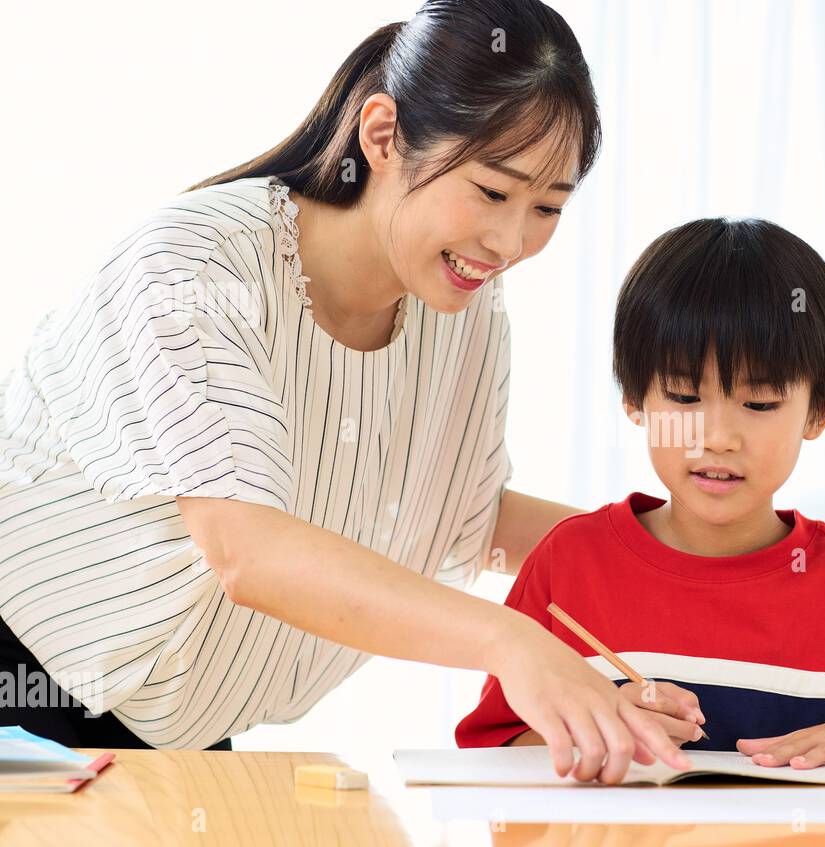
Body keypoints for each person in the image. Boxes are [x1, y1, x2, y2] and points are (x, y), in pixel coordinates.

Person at [0, 0, 688, 784]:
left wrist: (693, 554)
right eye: (494, 192)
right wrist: (514, 642)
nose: (509, 243)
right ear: (383, 135)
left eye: (547, 209)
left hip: (171, 735)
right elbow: (248, 549)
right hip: (23, 688)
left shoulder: (461, 307)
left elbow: (466, 519)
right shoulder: (200, 265)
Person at [456, 218, 825, 766]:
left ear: (817, 411)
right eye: (684, 397)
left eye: (760, 403)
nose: (718, 437)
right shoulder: (569, 564)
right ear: (635, 400)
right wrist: (608, 730)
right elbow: (496, 746)